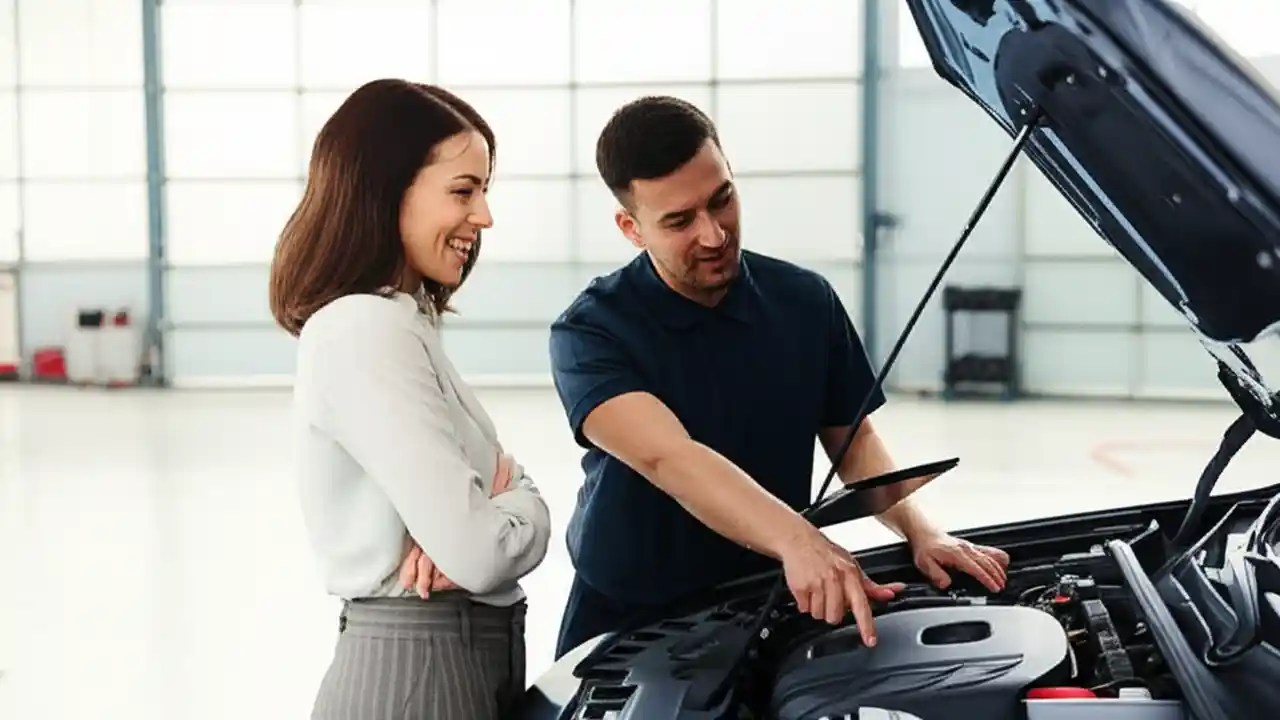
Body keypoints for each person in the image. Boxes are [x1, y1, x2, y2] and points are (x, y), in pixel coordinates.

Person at [547, 95, 1010, 659]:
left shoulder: (805, 301)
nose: (714, 235)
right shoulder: (590, 332)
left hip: (765, 599)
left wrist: (920, 530)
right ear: (631, 228)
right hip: (630, 621)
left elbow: (853, 439)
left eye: (722, 200)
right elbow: (669, 456)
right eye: (679, 220)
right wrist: (800, 539)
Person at [268, 79, 551, 719]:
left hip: (451, 662)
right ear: (385, 190)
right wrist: (518, 499)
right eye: (463, 191)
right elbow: (478, 554)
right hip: (421, 669)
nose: (483, 217)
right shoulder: (365, 330)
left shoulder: (401, 321)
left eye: (484, 191)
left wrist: (507, 504)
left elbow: (477, 539)